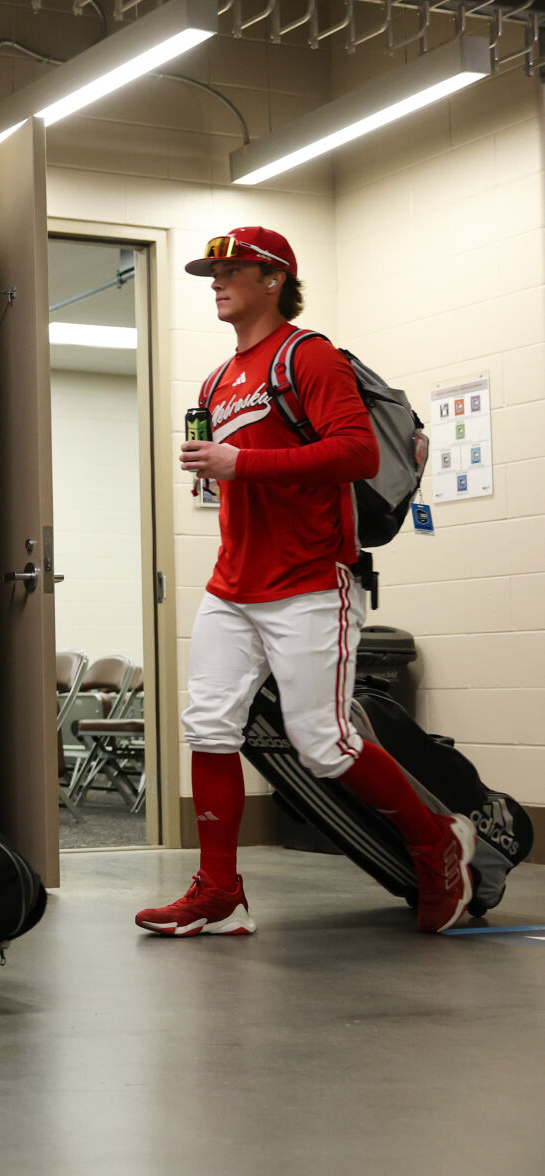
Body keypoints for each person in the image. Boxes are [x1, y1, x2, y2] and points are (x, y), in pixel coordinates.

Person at [135, 226, 475, 938]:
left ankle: (435, 840)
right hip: (233, 584)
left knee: (323, 742)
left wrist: (241, 465)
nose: (216, 280)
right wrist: (223, 470)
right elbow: (233, 471)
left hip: (310, 580)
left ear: (273, 279)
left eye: (232, 269)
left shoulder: (307, 354)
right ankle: (218, 890)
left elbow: (353, 451)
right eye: (210, 271)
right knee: (207, 729)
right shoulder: (215, 379)